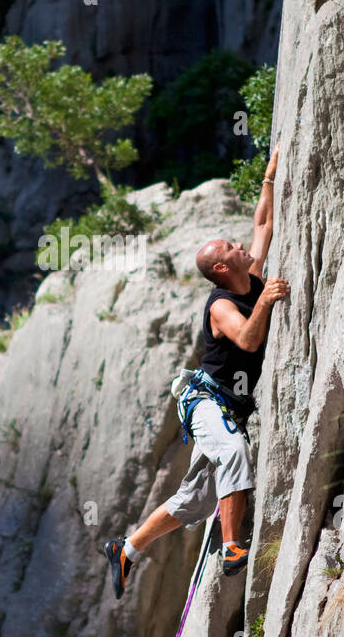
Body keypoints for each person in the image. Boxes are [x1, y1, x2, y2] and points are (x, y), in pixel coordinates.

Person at [104, 146, 289, 598]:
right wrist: (265, 302)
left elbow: (262, 224)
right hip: (207, 401)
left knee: (198, 498)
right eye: (230, 248)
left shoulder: (253, 277)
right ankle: (231, 547)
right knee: (232, 452)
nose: (241, 245)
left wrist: (269, 175)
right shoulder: (224, 304)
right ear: (222, 268)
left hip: (229, 404)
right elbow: (246, 339)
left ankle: (125, 549)